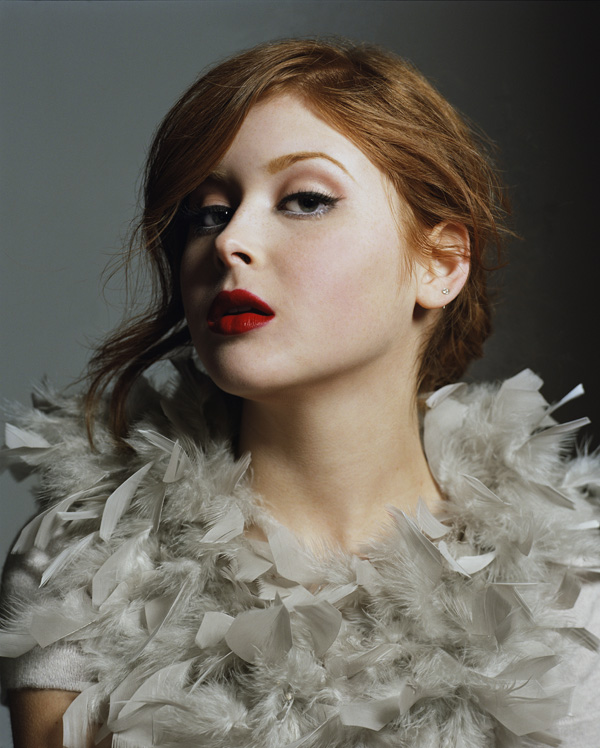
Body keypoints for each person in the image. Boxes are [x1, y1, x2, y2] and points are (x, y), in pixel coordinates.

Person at [1, 38, 599, 748]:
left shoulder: (571, 591)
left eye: (306, 200)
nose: (230, 242)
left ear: (440, 263)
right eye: (208, 213)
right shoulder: (84, 562)